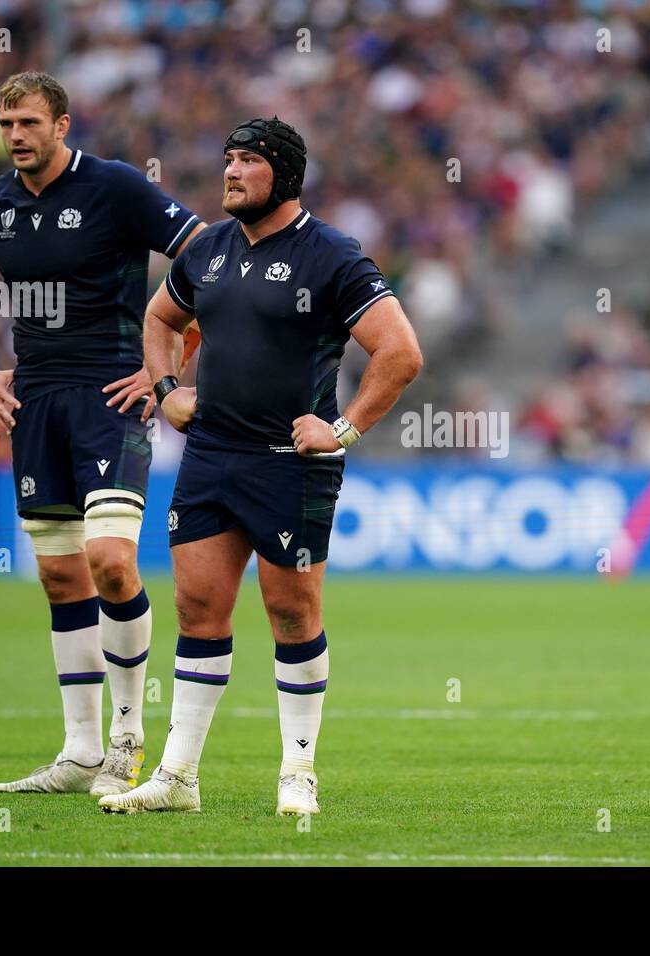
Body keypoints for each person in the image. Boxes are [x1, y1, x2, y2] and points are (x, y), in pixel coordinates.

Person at [98, 117, 422, 815]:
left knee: (291, 612)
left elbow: (400, 352)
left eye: (247, 160)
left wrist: (344, 428)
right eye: (228, 159)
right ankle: (179, 777)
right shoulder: (207, 250)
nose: (232, 172)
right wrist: (164, 390)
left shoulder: (331, 255)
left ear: (285, 174)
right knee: (198, 607)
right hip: (213, 455)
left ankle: (298, 773)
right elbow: (159, 321)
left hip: (291, 464)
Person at [0, 71, 204, 796]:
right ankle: (81, 753)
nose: (16, 136)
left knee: (112, 562)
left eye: (28, 122)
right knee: (61, 575)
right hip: (35, 401)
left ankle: (127, 741)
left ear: (62, 124)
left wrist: (169, 366)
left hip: (111, 396)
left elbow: (206, 255)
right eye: (6, 124)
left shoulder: (116, 187)